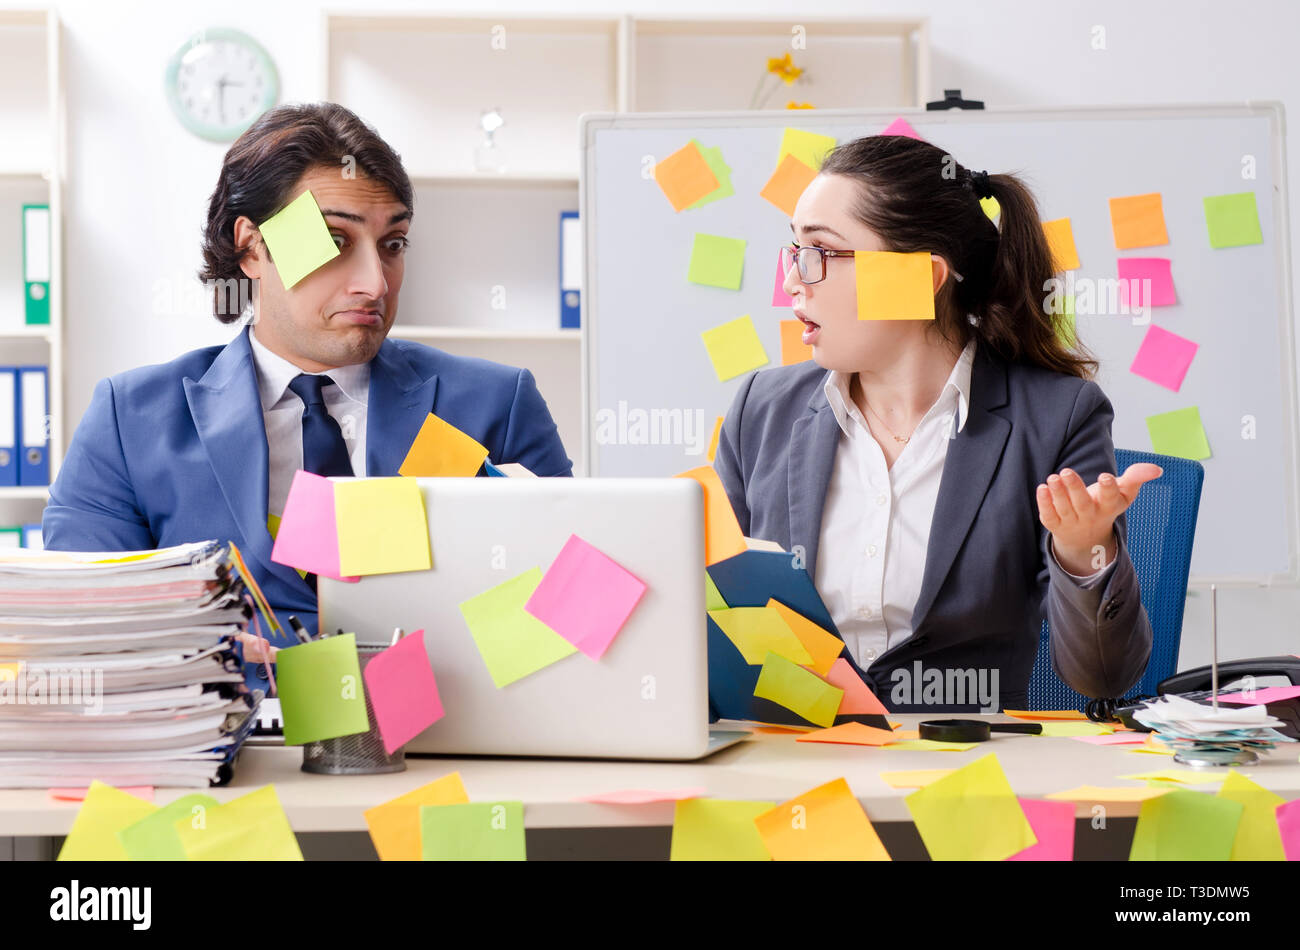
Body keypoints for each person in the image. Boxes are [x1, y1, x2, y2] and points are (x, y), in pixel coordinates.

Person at [43, 103, 572, 686]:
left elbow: (572, 623)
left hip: (446, 752)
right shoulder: (130, 420)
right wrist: (189, 650)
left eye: (392, 244)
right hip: (230, 761)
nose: (375, 282)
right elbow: (83, 638)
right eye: (334, 239)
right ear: (251, 248)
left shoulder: (495, 404)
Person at [713, 133, 1160, 712]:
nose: (793, 281)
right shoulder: (761, 409)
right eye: (793, 253)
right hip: (794, 761)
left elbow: (1104, 678)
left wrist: (1083, 555)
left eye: (819, 253)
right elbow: (714, 620)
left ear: (920, 279)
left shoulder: (1056, 417)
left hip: (963, 770)